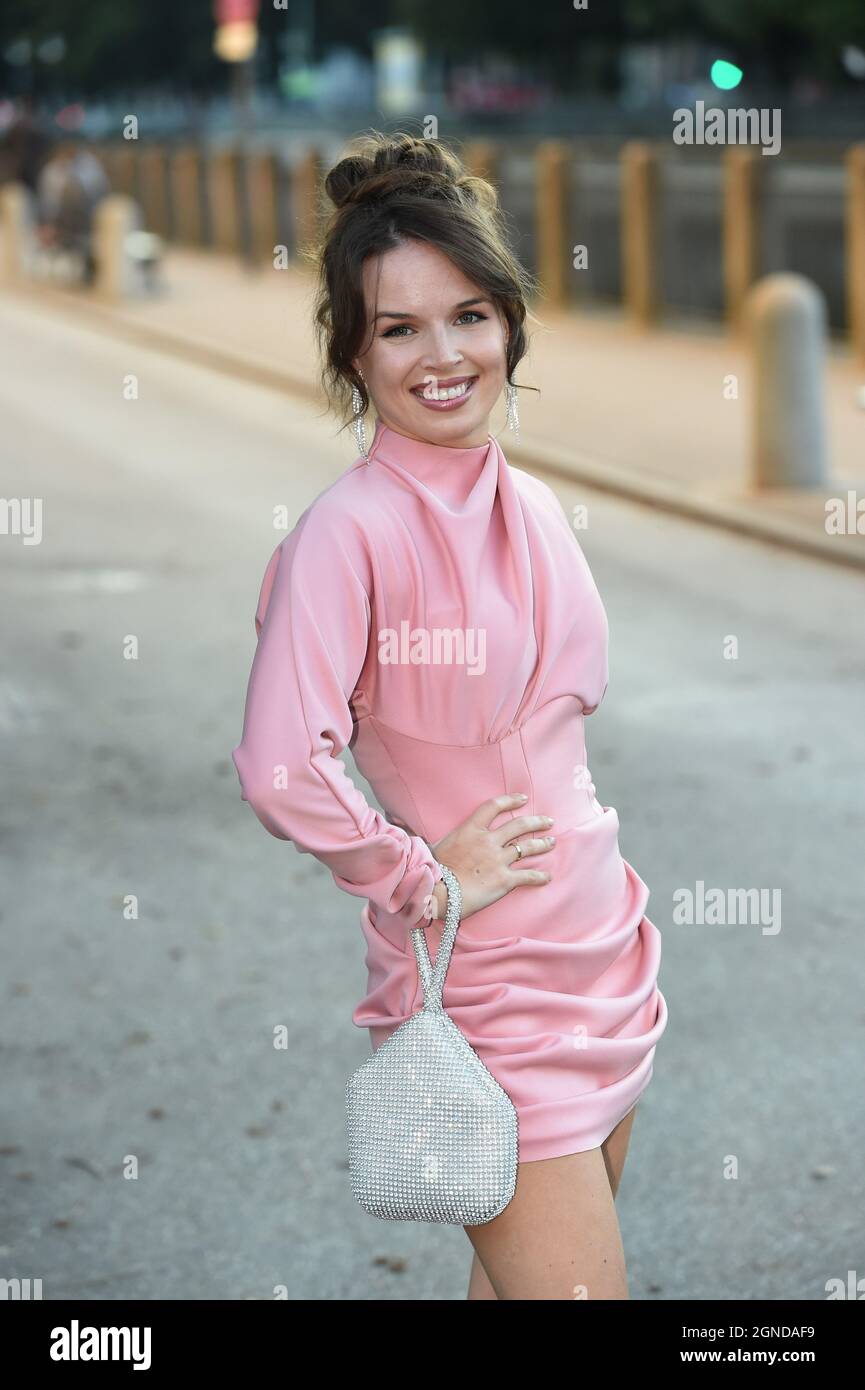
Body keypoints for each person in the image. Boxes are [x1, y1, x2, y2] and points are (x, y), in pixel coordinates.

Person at [231, 130, 668, 1300]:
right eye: (398, 327)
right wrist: (422, 877)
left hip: (598, 956)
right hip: (488, 990)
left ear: (510, 323)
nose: (444, 354)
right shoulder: (347, 533)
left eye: (469, 314)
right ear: (352, 354)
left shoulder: (531, 502)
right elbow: (280, 767)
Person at [35, 140, 109, 284]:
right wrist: (47, 225)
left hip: (86, 223)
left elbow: (98, 197)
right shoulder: (52, 171)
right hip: (62, 224)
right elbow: (47, 202)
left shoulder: (90, 168)